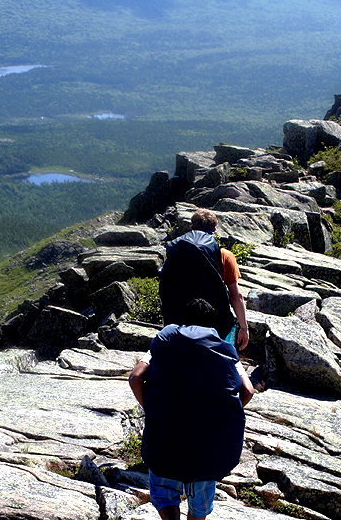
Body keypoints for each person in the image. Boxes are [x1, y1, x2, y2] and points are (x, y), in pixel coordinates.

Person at [129, 299, 254, 520]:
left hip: (165, 437)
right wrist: (222, 414)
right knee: (199, 507)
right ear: (211, 323)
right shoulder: (225, 348)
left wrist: (153, 409)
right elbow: (248, 390)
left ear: (184, 320)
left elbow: (136, 377)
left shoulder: (166, 340)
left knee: (165, 496)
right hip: (208, 444)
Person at [159, 208, 249, 350]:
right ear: (214, 229)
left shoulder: (178, 251)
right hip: (215, 322)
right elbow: (236, 296)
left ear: (191, 228)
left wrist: (167, 319)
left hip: (180, 321)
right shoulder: (223, 255)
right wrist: (244, 327)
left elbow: (166, 286)